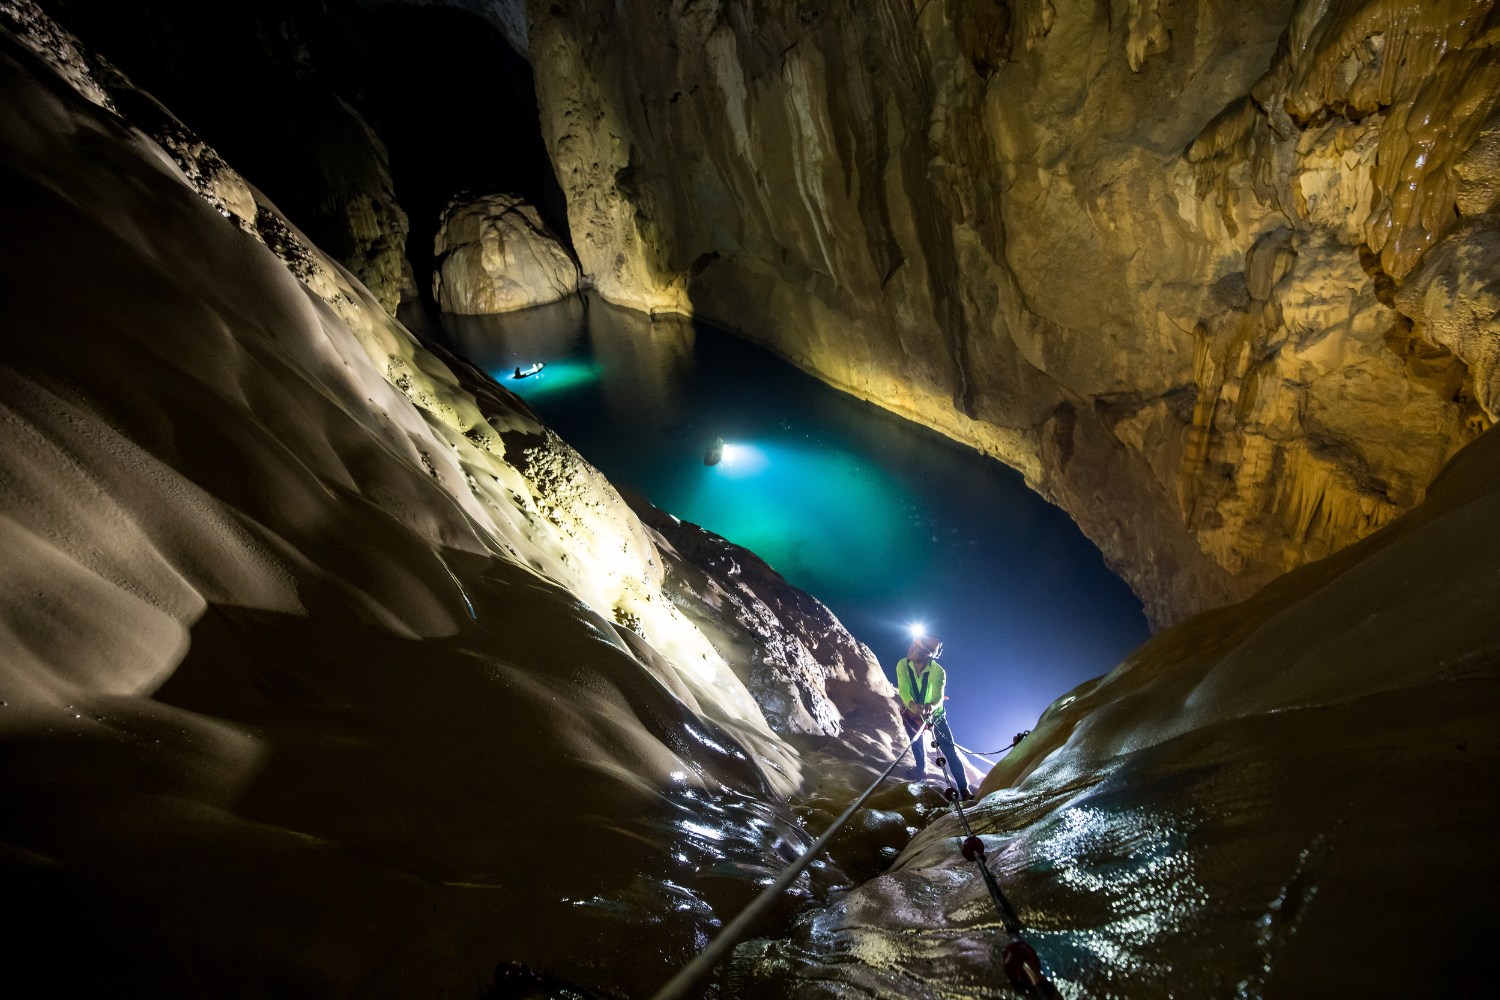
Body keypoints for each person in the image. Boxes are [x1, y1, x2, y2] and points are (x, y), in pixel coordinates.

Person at [895, 635, 973, 798]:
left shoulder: (938, 671)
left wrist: (930, 706)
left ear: (928, 654)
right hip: (913, 713)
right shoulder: (903, 664)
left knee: (949, 751)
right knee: (917, 746)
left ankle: (964, 789)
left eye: (917, 648)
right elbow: (903, 689)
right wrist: (912, 705)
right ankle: (921, 771)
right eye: (912, 645)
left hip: (935, 716)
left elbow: (938, 695)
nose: (911, 648)